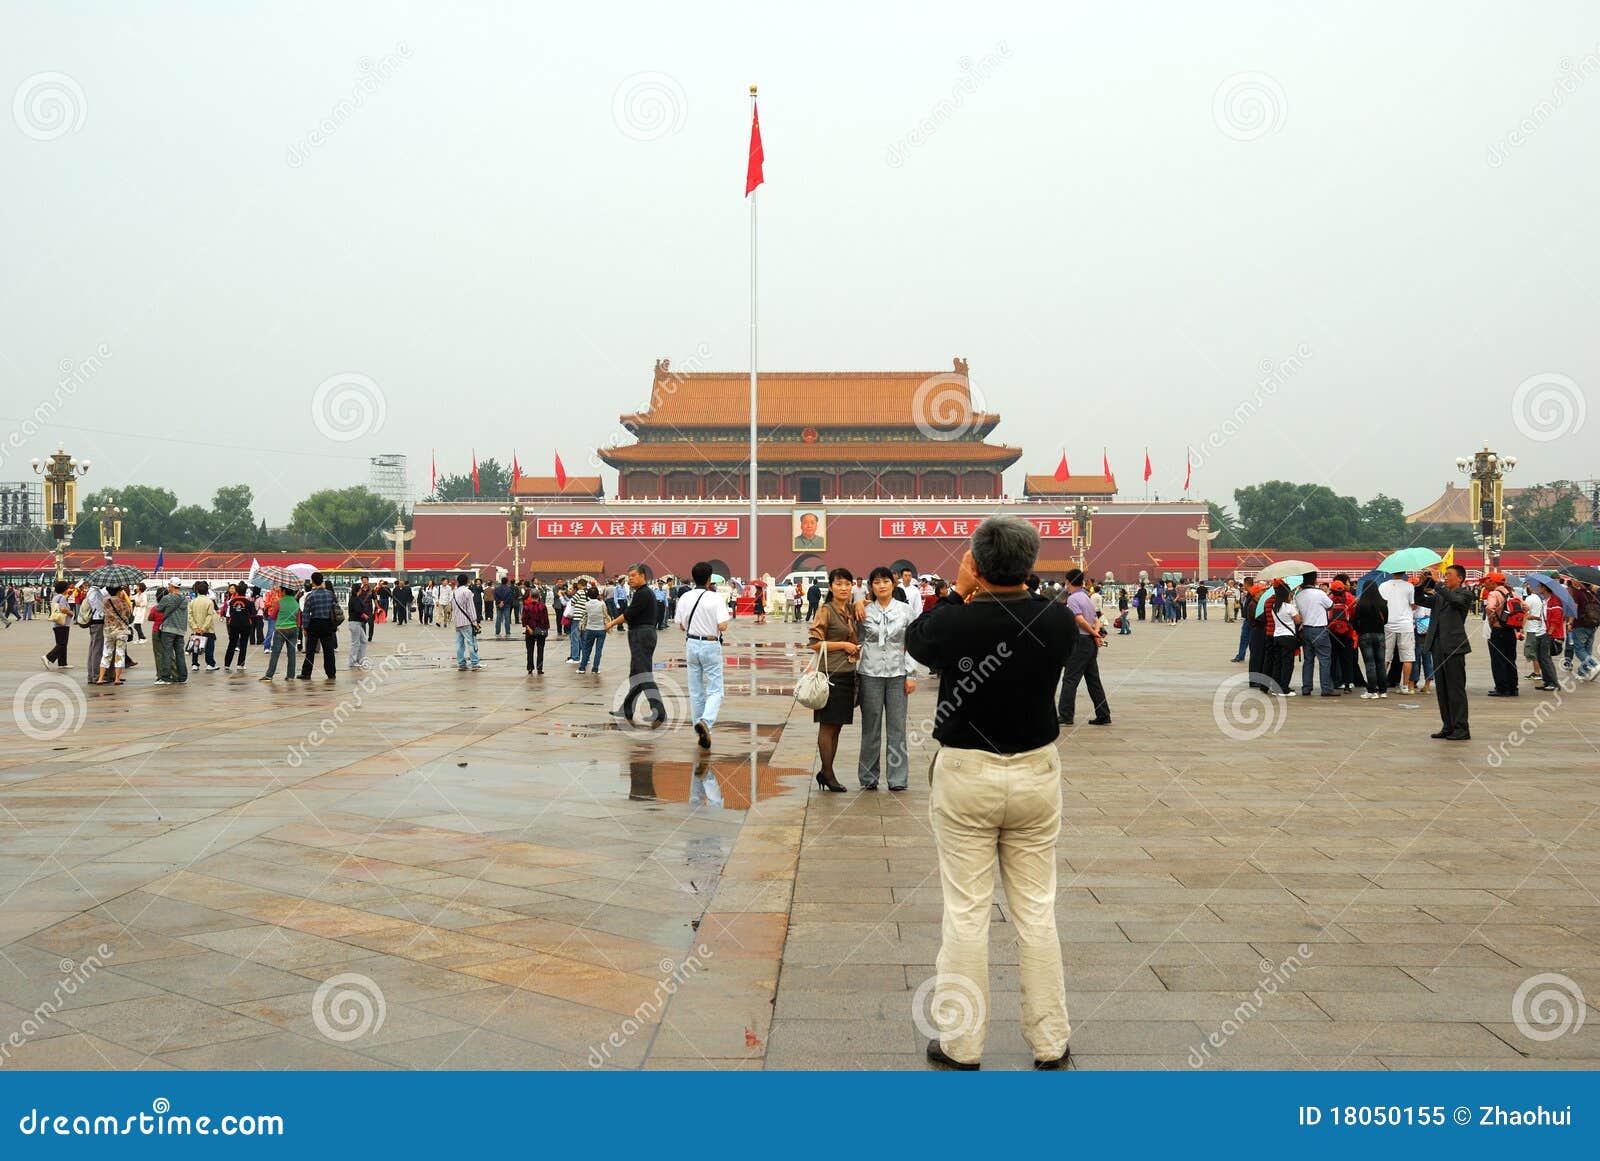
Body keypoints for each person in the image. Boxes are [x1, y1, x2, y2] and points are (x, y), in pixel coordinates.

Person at [903, 516, 1074, 1071]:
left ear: (976, 562)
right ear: (1031, 563)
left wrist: (957, 589)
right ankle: (1050, 1041)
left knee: (966, 912)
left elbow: (918, 641)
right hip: (1035, 774)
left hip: (967, 774)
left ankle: (962, 1042)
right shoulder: (1056, 620)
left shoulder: (957, 621)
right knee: (1037, 912)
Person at [854, 566, 917, 791]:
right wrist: (858, 604)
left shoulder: (906, 611)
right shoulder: (863, 611)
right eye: (877, 582)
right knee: (870, 728)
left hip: (897, 675)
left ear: (893, 584)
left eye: (886, 581)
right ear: (871, 586)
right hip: (869, 674)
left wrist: (911, 674)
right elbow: (856, 639)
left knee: (897, 728)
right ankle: (868, 777)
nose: (882, 585)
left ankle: (898, 779)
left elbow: (911, 645)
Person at [809, 568, 861, 793]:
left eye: (847, 584)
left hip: (848, 673)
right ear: (830, 587)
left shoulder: (849, 609)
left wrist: (860, 603)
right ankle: (828, 774)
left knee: (837, 726)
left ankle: (826, 770)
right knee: (828, 726)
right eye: (838, 584)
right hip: (831, 675)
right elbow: (814, 642)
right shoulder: (826, 610)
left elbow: (868, 602)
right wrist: (843, 645)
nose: (843, 588)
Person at [677, 561, 731, 749]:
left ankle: (700, 728)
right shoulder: (715, 598)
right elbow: (723, 625)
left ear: (694, 578)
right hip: (710, 644)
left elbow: (682, 625)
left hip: (691, 643)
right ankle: (706, 723)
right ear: (709, 579)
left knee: (696, 690)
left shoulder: (684, 597)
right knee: (716, 689)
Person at [1415, 565, 1472, 740]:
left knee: (1456, 689)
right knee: (1442, 689)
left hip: (1454, 646)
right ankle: (1448, 726)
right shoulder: (1440, 596)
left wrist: (1438, 583)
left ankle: (1461, 728)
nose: (1445, 577)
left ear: (1460, 578)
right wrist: (1421, 584)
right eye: (1444, 575)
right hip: (1437, 645)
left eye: (1449, 575)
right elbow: (1421, 600)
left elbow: (1455, 601)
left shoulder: (1465, 593)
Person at [607, 564, 667, 724]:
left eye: (633, 575)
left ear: (642, 576)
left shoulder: (643, 593)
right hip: (642, 634)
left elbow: (629, 614)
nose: (630, 579)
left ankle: (659, 712)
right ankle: (626, 710)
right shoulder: (643, 593)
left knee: (644, 675)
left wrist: (611, 623)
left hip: (642, 635)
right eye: (629, 576)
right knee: (636, 675)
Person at [1055, 569, 1111, 725]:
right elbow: (1095, 619)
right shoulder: (1086, 597)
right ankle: (1103, 714)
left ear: (1067, 581)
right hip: (1090, 643)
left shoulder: (1073, 599)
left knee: (1070, 679)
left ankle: (1066, 715)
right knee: (1093, 680)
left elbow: (1079, 620)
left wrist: (1094, 633)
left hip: (1080, 642)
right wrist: (1096, 634)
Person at [1294, 572, 1337, 697]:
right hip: (1320, 629)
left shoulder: (1299, 595)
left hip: (1306, 629)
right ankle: (1326, 688)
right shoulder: (1319, 593)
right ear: (1315, 580)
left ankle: (1306, 688)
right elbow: (1331, 606)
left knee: (1308, 660)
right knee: (1324, 660)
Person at [1481, 572, 1521, 696]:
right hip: (1511, 631)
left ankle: (1502, 688)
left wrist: (1492, 619)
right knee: (1510, 659)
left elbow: (1489, 608)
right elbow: (1524, 607)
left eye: (1486, 581)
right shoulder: (1512, 593)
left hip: (1498, 631)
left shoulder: (1494, 594)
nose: (1484, 583)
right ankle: (1513, 688)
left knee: (1498, 660)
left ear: (1493, 582)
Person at [1378, 571, 1417, 694]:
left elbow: (1380, 605)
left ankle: (1381, 686)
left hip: (1388, 623)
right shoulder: (1409, 586)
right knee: (1407, 657)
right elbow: (1413, 605)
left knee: (1385, 656)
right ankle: (1405, 686)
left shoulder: (1383, 586)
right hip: (1405, 625)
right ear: (1403, 572)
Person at [298, 573, 339, 681]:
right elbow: (335, 609)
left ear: (313, 581)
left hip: (314, 624)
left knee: (310, 650)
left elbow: (306, 613)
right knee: (328, 650)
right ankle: (331, 673)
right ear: (322, 581)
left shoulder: (310, 596)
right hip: (327, 624)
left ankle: (306, 673)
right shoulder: (330, 594)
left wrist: (305, 628)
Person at [1353, 579, 1389, 698]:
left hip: (1365, 635)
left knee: (1370, 663)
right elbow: (1386, 620)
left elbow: (1353, 621)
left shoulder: (1361, 604)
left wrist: (1359, 630)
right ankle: (1383, 690)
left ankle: (1372, 691)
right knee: (1380, 662)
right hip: (1380, 634)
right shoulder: (1383, 603)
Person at [1264, 581, 1301, 697]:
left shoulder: (1274, 607)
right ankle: (1284, 688)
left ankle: (1276, 688)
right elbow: (1298, 621)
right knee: (1287, 664)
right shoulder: (1289, 607)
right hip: (1288, 638)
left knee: (1277, 663)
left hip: (1276, 636)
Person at [260, 584, 301, 682]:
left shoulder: (280, 602)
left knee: (275, 653)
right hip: (293, 629)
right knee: (291, 653)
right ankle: (290, 676)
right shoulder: (296, 603)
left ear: (284, 591)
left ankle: (269, 675)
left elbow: (273, 616)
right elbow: (298, 621)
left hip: (281, 630)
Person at [96, 585, 133, 685]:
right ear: (118, 591)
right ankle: (117, 679)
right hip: (121, 631)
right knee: (119, 654)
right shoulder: (123, 602)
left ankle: (100, 678)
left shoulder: (104, 602)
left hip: (108, 631)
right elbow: (128, 614)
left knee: (106, 653)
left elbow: (102, 613)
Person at [451, 571, 482, 671]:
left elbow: (453, 607)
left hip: (457, 621)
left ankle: (461, 663)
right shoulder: (467, 592)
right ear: (467, 581)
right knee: (471, 642)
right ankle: (475, 662)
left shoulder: (455, 592)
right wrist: (475, 622)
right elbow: (471, 608)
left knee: (459, 643)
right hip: (466, 621)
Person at [577, 584, 609, 673]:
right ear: (597, 594)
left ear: (588, 595)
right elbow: (605, 614)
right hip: (601, 629)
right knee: (598, 650)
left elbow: (584, 615)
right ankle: (595, 668)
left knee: (586, 649)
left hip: (590, 629)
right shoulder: (602, 604)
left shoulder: (586, 604)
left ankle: (582, 668)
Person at [188, 581, 218, 672]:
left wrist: (194, 626)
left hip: (196, 628)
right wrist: (204, 628)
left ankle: (195, 664)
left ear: (197, 590)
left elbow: (190, 615)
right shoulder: (209, 602)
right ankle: (210, 664)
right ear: (207, 591)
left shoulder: (193, 601)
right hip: (208, 629)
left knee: (196, 646)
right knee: (209, 647)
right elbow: (209, 616)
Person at [222, 583, 253, 670]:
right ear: (245, 591)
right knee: (243, 644)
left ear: (237, 591)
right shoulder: (249, 602)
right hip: (245, 624)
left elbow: (231, 613)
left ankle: (227, 664)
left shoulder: (232, 601)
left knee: (232, 643)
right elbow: (252, 613)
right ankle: (240, 664)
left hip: (234, 624)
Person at [42, 579, 72, 669]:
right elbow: (63, 609)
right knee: (62, 643)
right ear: (64, 589)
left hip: (56, 623)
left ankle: (62, 663)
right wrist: (71, 613)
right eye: (67, 588)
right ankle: (48, 657)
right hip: (62, 624)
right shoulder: (62, 597)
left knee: (61, 643)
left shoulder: (55, 597)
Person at [521, 585, 550, 674]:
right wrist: (546, 629)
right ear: (538, 596)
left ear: (531, 596)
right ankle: (539, 668)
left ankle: (530, 668)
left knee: (530, 650)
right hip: (541, 630)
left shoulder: (526, 607)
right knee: (540, 650)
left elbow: (524, 619)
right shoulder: (543, 606)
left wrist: (528, 628)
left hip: (530, 630)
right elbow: (546, 620)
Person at [347, 578, 373, 669]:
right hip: (354, 623)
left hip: (358, 623)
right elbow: (357, 610)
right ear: (358, 590)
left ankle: (359, 659)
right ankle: (352, 661)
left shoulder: (356, 598)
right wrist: (364, 615)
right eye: (360, 589)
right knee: (355, 643)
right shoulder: (354, 599)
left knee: (364, 641)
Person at [565, 584, 589, 663]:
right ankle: (586, 658)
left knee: (574, 638)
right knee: (583, 639)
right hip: (584, 618)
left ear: (579, 585)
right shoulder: (588, 592)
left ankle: (575, 658)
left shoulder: (580, 592)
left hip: (577, 617)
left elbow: (572, 602)